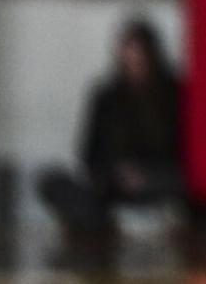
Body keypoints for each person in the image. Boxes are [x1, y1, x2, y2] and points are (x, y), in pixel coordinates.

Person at [37, 19, 184, 237]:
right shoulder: (106, 96)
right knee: (51, 180)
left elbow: (181, 151)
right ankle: (106, 220)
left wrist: (146, 175)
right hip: (113, 185)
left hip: (158, 180)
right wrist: (117, 173)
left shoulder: (173, 94)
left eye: (140, 59)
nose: (134, 65)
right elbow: (89, 153)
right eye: (129, 58)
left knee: (179, 182)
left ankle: (113, 220)